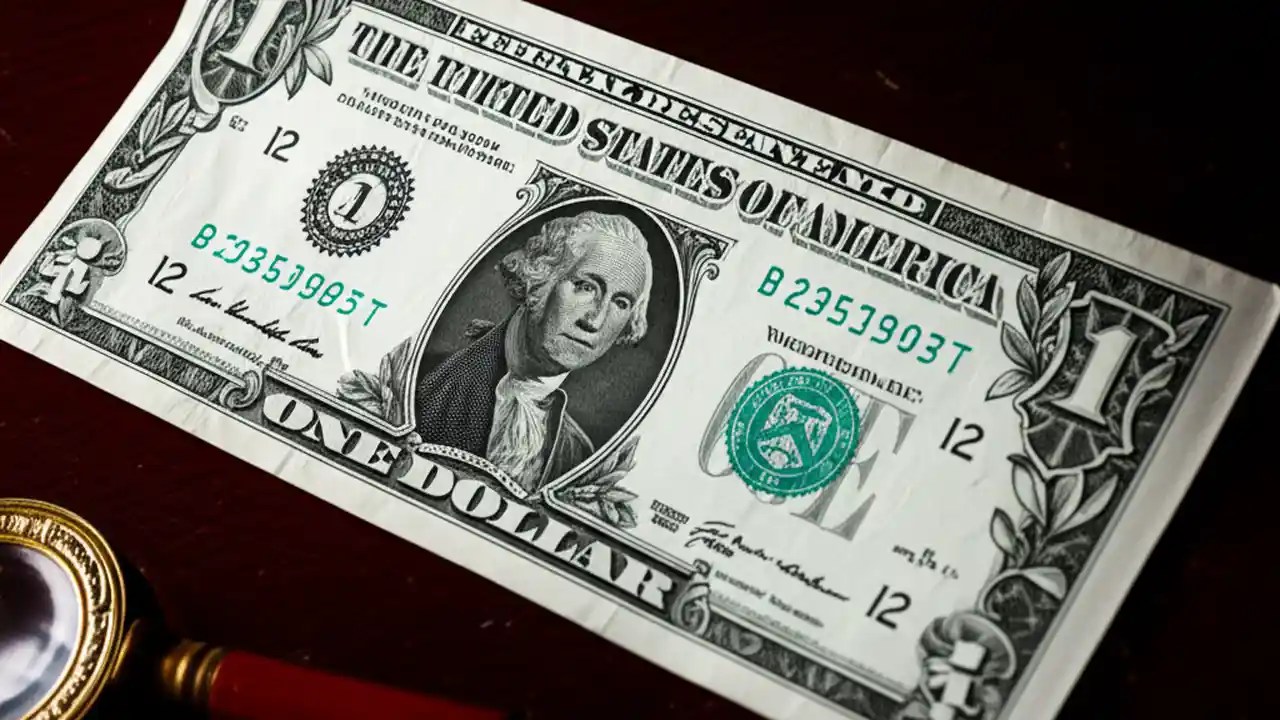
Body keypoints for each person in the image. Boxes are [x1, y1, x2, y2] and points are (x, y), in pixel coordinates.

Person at [413, 210, 653, 493]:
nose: (595, 321)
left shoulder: (577, 454)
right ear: (540, 279)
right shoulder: (418, 378)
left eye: (621, 303)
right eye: (586, 287)